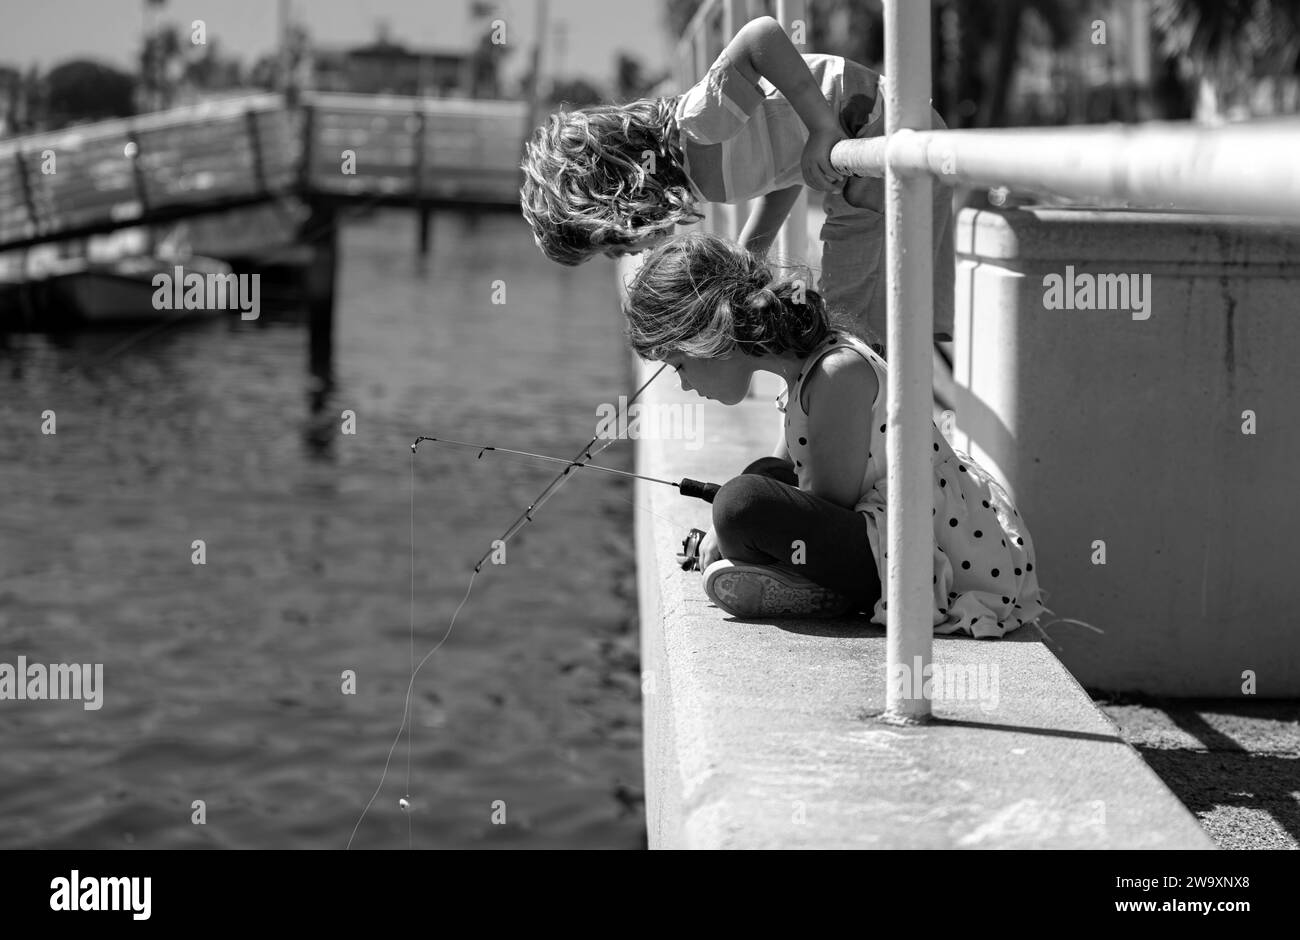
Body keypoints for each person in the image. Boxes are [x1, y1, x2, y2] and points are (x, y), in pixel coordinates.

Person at [623, 232, 1044, 637]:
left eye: (679, 365)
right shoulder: (805, 370)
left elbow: (829, 503)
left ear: (710, 336)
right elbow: (785, 469)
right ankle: (787, 577)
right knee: (759, 476)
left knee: (740, 504)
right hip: (880, 536)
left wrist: (731, 526)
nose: (683, 385)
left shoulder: (836, 374)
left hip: (916, 553)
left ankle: (815, 589)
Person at [520, 14, 955, 351]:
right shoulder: (699, 169)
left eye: (611, 244)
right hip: (871, 151)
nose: (622, 255)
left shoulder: (696, 127)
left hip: (876, 127)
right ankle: (859, 432)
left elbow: (760, 37)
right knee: (881, 318)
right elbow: (788, 168)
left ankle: (816, 449)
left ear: (618, 198)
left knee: (845, 322)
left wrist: (823, 128)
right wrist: (750, 252)